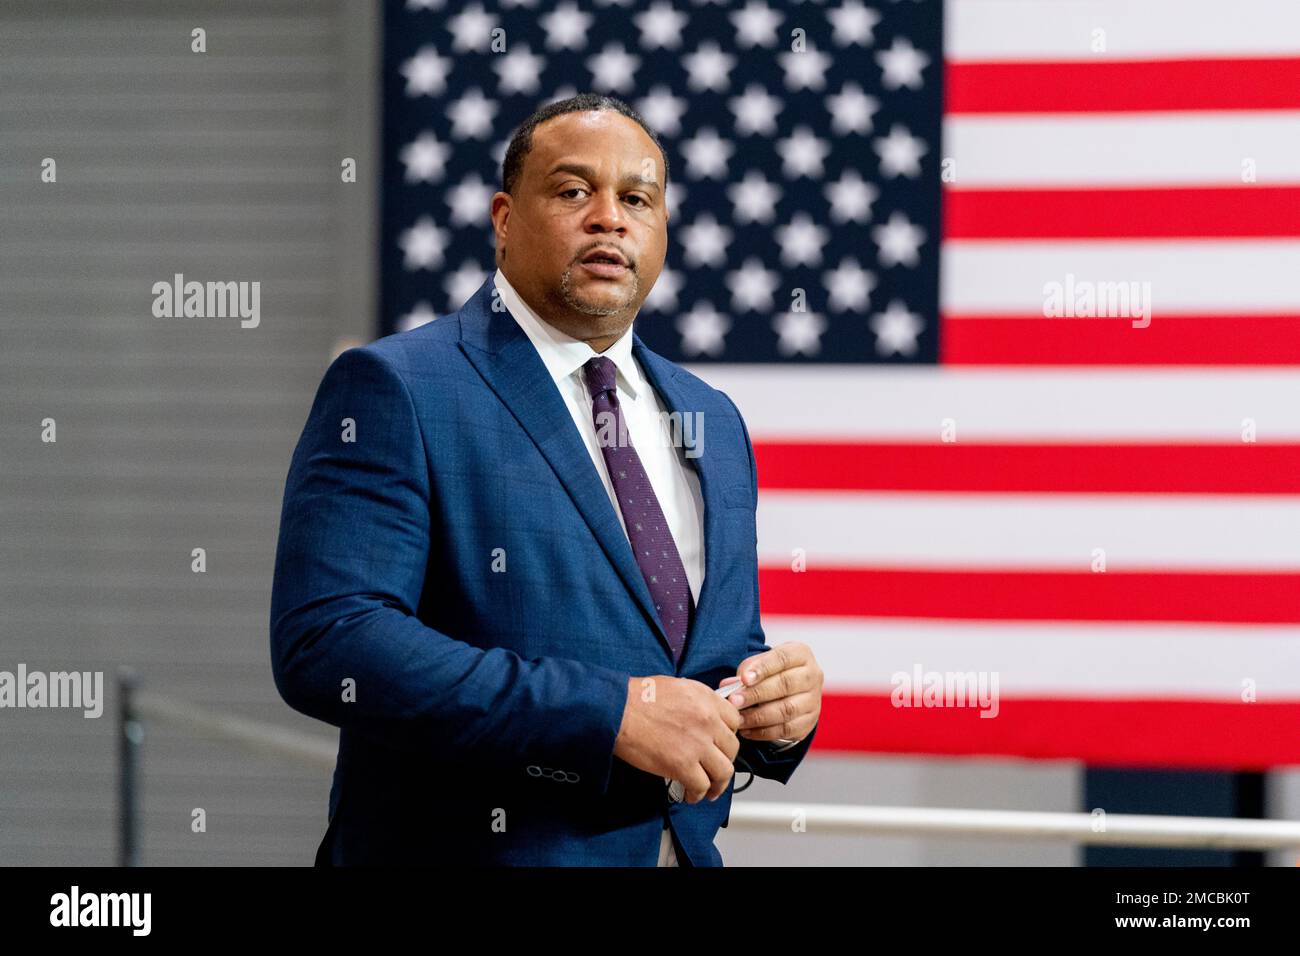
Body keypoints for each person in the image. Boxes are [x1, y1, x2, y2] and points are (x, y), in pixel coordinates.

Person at [269, 94, 822, 866]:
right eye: (572, 191)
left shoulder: (711, 419)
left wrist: (776, 713)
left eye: (637, 198)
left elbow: (705, 662)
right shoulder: (399, 386)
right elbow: (331, 642)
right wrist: (608, 715)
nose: (609, 218)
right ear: (503, 218)